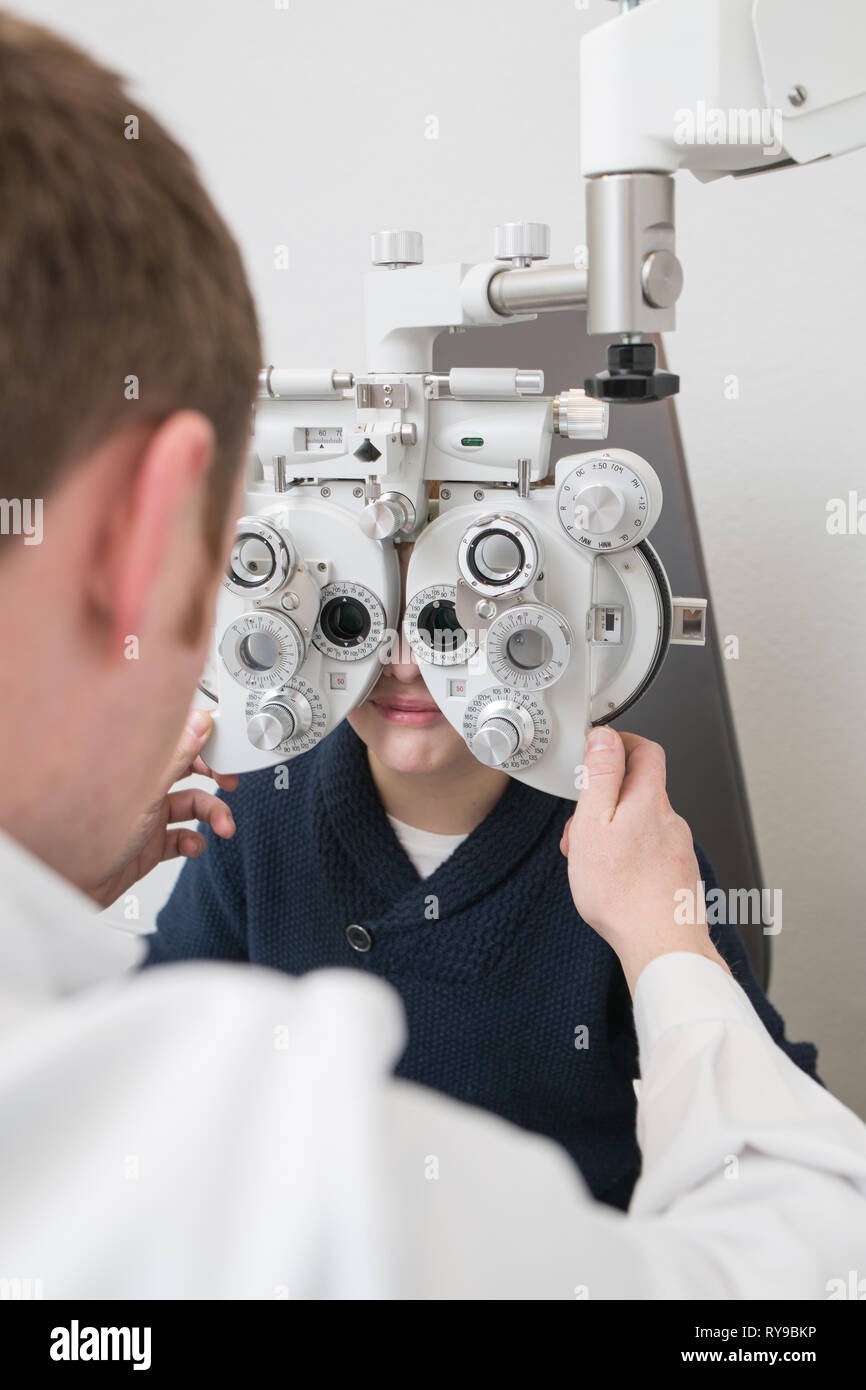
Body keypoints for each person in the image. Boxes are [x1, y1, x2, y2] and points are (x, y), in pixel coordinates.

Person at [0, 10, 864, 1300]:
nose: (405, 648)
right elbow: (798, 1276)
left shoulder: (600, 855)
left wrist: (46, 886)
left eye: (454, 614)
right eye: (357, 613)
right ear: (154, 523)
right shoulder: (260, 821)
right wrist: (669, 946)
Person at [148, 541, 818, 1209]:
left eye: (446, 625)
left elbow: (774, 1112)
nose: (404, 665)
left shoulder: (619, 841)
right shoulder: (261, 806)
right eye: (354, 621)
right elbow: (150, 1053)